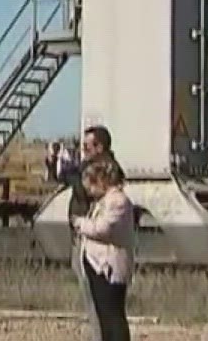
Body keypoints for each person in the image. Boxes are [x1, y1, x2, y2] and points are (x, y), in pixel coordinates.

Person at [71, 155, 137, 341]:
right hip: (97, 265)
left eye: (91, 186)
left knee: (113, 316)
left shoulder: (118, 202)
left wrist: (81, 223)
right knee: (104, 315)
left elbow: (104, 228)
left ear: (101, 181)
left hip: (109, 267)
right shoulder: (104, 201)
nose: (90, 192)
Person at [67, 125, 113, 339]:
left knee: (95, 299)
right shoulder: (94, 168)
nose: (83, 150)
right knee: (94, 299)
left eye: (87, 147)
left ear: (99, 147)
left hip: (91, 241)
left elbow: (83, 191)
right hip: (85, 237)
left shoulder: (100, 170)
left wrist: (76, 172)